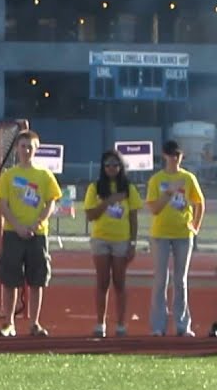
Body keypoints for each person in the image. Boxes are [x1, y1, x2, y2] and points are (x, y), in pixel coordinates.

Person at [0, 130, 62, 337]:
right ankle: (8, 323)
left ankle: (34, 323)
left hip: (37, 234)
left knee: (37, 280)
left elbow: (51, 202)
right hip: (13, 233)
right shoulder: (9, 175)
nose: (26, 150)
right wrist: (17, 226)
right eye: (23, 146)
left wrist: (37, 223)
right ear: (17, 149)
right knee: (10, 280)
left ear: (36, 149)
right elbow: (2, 203)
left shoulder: (44, 175)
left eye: (30, 147)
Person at [145, 140, 205, 337]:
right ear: (164, 156)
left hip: (182, 234)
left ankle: (182, 325)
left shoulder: (188, 178)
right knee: (160, 279)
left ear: (181, 156)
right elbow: (154, 208)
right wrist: (169, 192)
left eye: (177, 155)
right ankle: (158, 326)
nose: (174, 158)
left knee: (181, 280)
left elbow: (199, 203)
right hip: (160, 234)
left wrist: (195, 226)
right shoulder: (156, 179)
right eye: (171, 155)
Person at [84, 149, 142, 338]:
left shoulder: (129, 188)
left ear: (121, 166)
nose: (111, 168)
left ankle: (121, 324)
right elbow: (90, 215)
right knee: (102, 282)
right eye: (108, 165)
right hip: (100, 239)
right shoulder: (95, 187)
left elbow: (133, 217)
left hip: (121, 240)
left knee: (119, 282)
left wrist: (133, 243)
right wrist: (108, 201)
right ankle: (100, 323)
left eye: (115, 165)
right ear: (103, 167)